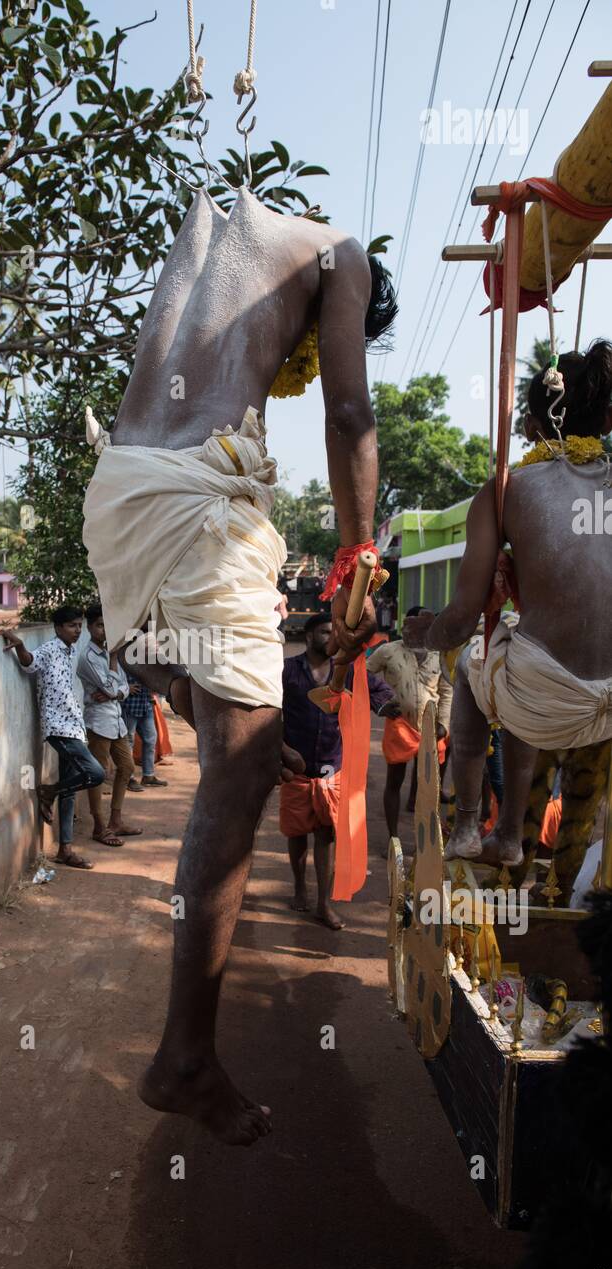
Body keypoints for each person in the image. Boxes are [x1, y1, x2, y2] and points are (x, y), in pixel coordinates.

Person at [82, 184, 396, 1144]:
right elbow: (349, 413)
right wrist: (357, 558)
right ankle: (184, 1058)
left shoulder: (219, 226)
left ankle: (159, 664)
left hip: (122, 491)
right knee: (250, 761)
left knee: (210, 702)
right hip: (194, 500)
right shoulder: (342, 251)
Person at [420, 340, 612, 865]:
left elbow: (460, 619)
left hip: (545, 701)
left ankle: (469, 826)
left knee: (473, 662)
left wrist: (424, 635)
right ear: (608, 417)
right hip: (607, 706)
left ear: (530, 426)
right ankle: (508, 834)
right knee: (520, 649)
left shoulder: (508, 489)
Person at [281, 610, 394, 928]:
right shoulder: (287, 670)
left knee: (326, 834)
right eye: (324, 632)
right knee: (296, 833)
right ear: (308, 636)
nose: (331, 638)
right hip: (297, 768)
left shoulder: (345, 670)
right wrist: (282, 750)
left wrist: (382, 706)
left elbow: (381, 692)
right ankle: (300, 887)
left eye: (335, 633)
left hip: (333, 767)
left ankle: (323, 903)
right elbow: (267, 710)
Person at [3, 606, 104, 870]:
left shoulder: (70, 651)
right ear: (58, 628)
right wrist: (20, 645)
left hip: (74, 726)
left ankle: (65, 850)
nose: (77, 631)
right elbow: (29, 662)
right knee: (96, 773)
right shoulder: (50, 649)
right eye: (72, 626)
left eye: (79, 626)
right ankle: (48, 791)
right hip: (58, 728)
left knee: (70, 788)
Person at [365, 607, 452, 839]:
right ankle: (393, 837)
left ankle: (425, 842)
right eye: (407, 626)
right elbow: (363, 674)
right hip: (400, 725)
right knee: (394, 780)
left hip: (432, 727)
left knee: (429, 786)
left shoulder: (439, 654)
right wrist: (380, 703)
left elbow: (446, 691)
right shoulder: (388, 651)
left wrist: (444, 723)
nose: (409, 630)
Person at [78, 604, 141, 847]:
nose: (104, 631)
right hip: (99, 722)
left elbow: (124, 688)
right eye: (99, 625)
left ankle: (116, 820)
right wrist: (115, 684)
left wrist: (115, 692)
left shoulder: (107, 653)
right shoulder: (88, 657)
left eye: (107, 625)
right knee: (98, 774)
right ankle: (99, 826)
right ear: (90, 627)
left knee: (126, 767)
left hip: (116, 721)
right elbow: (115, 688)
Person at [122, 675, 168, 791]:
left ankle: (148, 775)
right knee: (128, 742)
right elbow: (113, 676)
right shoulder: (121, 660)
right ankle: (128, 778)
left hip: (145, 704)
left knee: (151, 739)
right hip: (129, 705)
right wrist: (126, 688)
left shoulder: (145, 659)